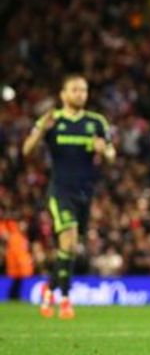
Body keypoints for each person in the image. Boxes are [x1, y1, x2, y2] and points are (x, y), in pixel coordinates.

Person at [22, 74, 114, 319]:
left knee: (70, 250)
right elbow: (26, 150)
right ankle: (65, 299)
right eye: (74, 90)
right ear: (63, 94)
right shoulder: (52, 119)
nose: (80, 94)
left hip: (85, 193)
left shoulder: (96, 122)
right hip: (60, 190)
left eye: (83, 90)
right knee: (69, 242)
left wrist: (104, 150)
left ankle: (48, 290)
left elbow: (112, 154)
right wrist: (41, 131)